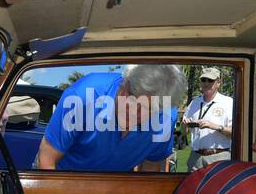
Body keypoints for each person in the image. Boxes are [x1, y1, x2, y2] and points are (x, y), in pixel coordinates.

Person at [36, 64, 184, 172]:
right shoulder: (82, 96)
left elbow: (152, 166)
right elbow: (47, 159)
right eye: (132, 99)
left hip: (114, 187)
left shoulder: (165, 117)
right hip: (62, 179)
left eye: (147, 109)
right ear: (123, 84)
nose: (133, 112)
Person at [182, 66, 233, 170]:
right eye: (203, 80)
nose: (206, 83)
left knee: (218, 186)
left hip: (219, 156)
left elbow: (236, 132)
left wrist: (213, 126)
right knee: (193, 186)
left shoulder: (229, 102)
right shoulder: (194, 103)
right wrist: (184, 125)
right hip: (195, 157)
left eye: (210, 80)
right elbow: (184, 132)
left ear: (218, 83)